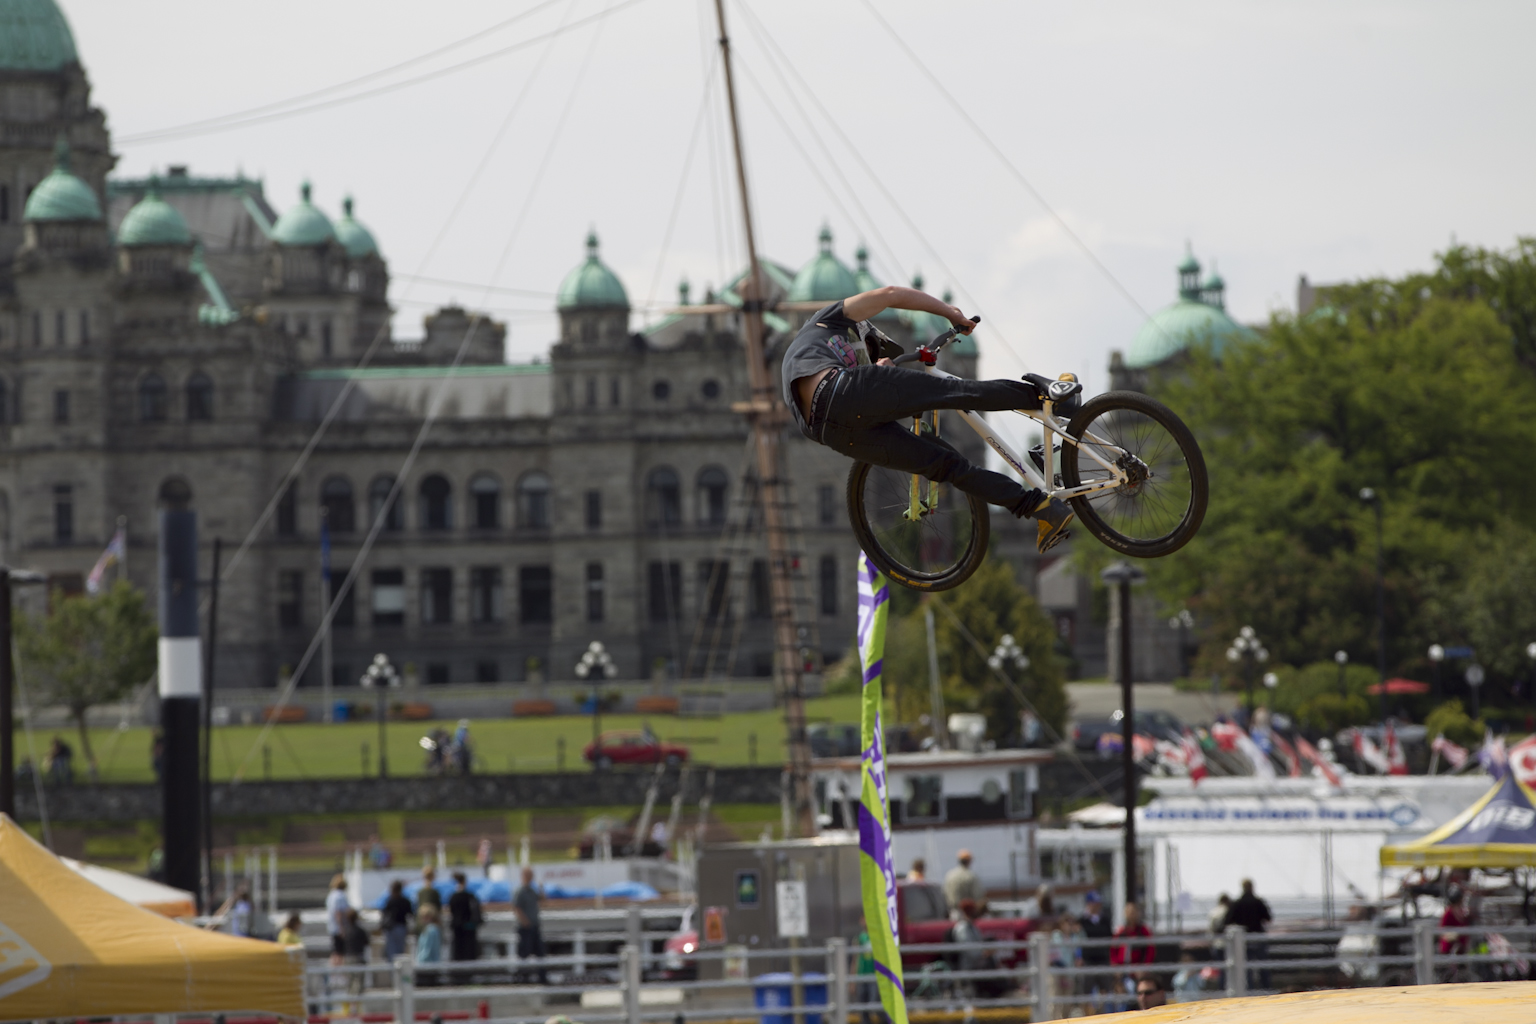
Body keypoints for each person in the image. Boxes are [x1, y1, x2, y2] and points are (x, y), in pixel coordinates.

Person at [780, 286, 1074, 554]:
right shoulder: (826, 320)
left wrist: (881, 371)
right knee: (956, 392)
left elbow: (842, 392)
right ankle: (1046, 397)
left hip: (829, 430)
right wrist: (949, 312)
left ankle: (1041, 509)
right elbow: (891, 294)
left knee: (948, 467)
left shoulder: (808, 353)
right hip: (839, 392)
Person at [1224, 879, 1271, 989]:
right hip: (1258, 936)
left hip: (1244, 938)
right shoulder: (1258, 902)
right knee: (1263, 965)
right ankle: (1266, 988)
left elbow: (1228, 920)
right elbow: (1268, 917)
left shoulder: (1237, 903)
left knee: (1246, 966)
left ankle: (1248, 989)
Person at [1078, 890, 1114, 1011]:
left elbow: (1109, 936)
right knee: (1086, 991)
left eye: (1098, 903)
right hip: (1088, 961)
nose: (1097, 906)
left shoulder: (1105, 920)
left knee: (1106, 990)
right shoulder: (1082, 920)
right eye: (1094, 903)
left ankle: (1105, 1015)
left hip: (1103, 959)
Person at [512, 866, 547, 983]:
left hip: (535, 926)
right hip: (525, 928)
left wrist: (541, 888)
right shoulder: (520, 891)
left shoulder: (532, 891)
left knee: (540, 952)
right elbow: (516, 907)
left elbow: (542, 900)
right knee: (524, 954)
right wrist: (525, 921)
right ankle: (522, 979)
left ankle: (542, 978)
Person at [852, 913, 886, 1024]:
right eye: (862, 919)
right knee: (863, 1007)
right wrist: (853, 980)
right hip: (862, 976)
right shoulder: (859, 938)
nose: (864, 922)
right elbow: (855, 959)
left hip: (874, 976)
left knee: (875, 1004)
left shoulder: (877, 937)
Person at [447, 872, 482, 962]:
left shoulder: (453, 897)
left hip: (457, 929)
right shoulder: (470, 897)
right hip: (469, 929)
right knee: (469, 955)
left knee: (458, 954)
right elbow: (477, 912)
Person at [1111, 902, 1155, 969]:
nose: (1131, 914)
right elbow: (1113, 951)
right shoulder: (1120, 931)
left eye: (1133, 912)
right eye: (1129, 912)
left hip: (1139, 967)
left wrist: (1145, 967)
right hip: (1122, 967)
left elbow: (1151, 950)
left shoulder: (1144, 931)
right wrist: (1116, 967)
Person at [942, 849, 984, 916]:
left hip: (952, 913)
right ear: (969, 861)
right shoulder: (971, 876)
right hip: (968, 914)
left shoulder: (949, 875)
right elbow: (977, 896)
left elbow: (944, 893)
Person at [381, 880, 415, 961]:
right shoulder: (406, 901)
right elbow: (410, 914)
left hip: (391, 929)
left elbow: (384, 913)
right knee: (400, 952)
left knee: (391, 952)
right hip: (402, 928)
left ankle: (392, 970)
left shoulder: (390, 901)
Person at [325, 874, 350, 965]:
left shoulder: (331, 895)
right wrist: (341, 928)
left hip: (332, 927)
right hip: (339, 928)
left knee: (335, 951)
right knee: (340, 952)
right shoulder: (340, 896)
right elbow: (338, 913)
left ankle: (333, 972)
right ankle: (338, 973)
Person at [415, 906, 443, 985]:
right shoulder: (435, 929)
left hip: (426, 965)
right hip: (433, 964)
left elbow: (426, 949)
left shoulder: (430, 930)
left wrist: (418, 963)